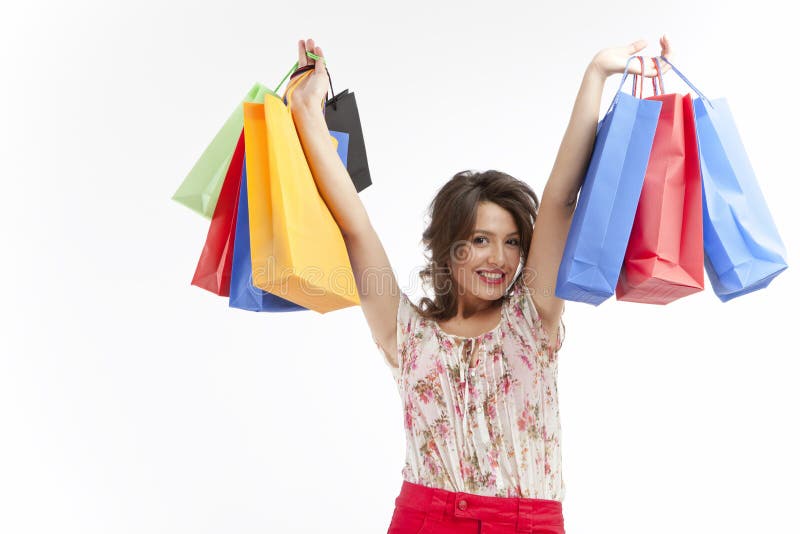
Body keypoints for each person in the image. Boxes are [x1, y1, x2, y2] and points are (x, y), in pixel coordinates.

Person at [288, 36, 673, 534]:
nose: (499, 258)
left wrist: (596, 74)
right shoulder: (407, 333)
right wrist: (306, 110)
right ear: (450, 249)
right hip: (422, 519)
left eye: (513, 243)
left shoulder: (533, 316)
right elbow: (353, 227)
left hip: (525, 523)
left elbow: (559, 198)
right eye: (480, 239)